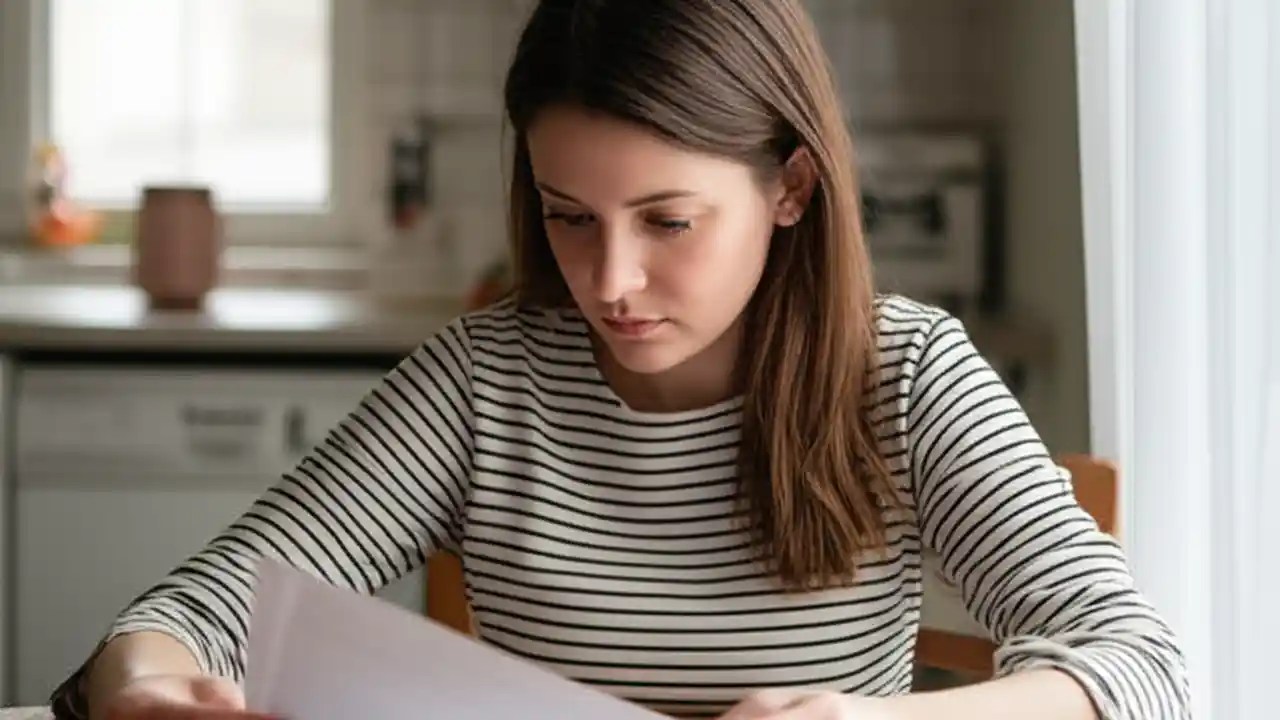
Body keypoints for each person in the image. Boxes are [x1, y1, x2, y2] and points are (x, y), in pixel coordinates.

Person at [55, 1, 1190, 718]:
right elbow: (193, 612)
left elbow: (1138, 667)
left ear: (789, 189)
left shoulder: (901, 374)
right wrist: (152, 685)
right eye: (568, 216)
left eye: (667, 222)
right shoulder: (481, 384)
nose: (607, 283)